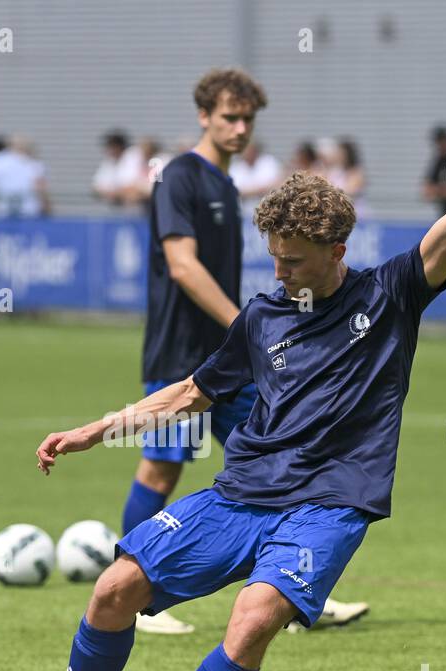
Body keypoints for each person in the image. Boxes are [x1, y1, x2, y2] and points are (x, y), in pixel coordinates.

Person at [36, 64, 446, 671]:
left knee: (254, 616)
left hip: (330, 504)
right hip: (241, 495)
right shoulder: (264, 317)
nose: (279, 270)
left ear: (336, 254)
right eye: (274, 257)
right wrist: (97, 429)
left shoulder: (389, 297)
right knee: (113, 589)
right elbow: (195, 392)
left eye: (293, 261)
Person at [121, 67, 366, 636]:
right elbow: (182, 266)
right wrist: (248, 330)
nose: (239, 127)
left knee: (292, 463)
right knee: (161, 467)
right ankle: (133, 596)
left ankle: (297, 587)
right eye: (228, 117)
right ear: (204, 115)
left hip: (232, 359)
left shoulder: (226, 186)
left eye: (247, 119)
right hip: (183, 354)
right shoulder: (178, 176)